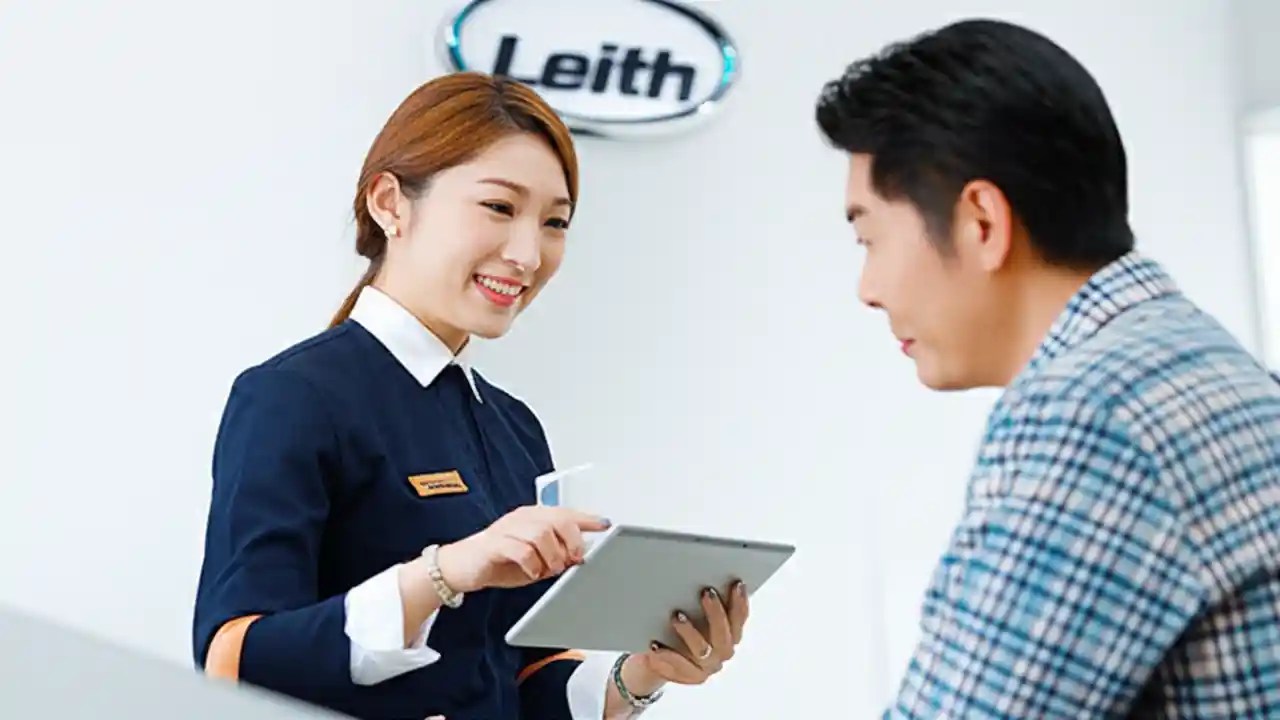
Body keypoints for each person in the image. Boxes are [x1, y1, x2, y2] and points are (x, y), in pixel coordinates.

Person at [192, 71, 751, 720]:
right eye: (498, 207)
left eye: (554, 222)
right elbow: (234, 659)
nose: (526, 253)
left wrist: (643, 672)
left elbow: (523, 679)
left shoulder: (514, 428)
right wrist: (446, 573)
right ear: (389, 203)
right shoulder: (293, 398)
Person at [816, 18, 1280, 719]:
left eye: (869, 237)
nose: (867, 288)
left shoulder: (1094, 415)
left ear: (981, 222)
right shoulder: (1203, 363)